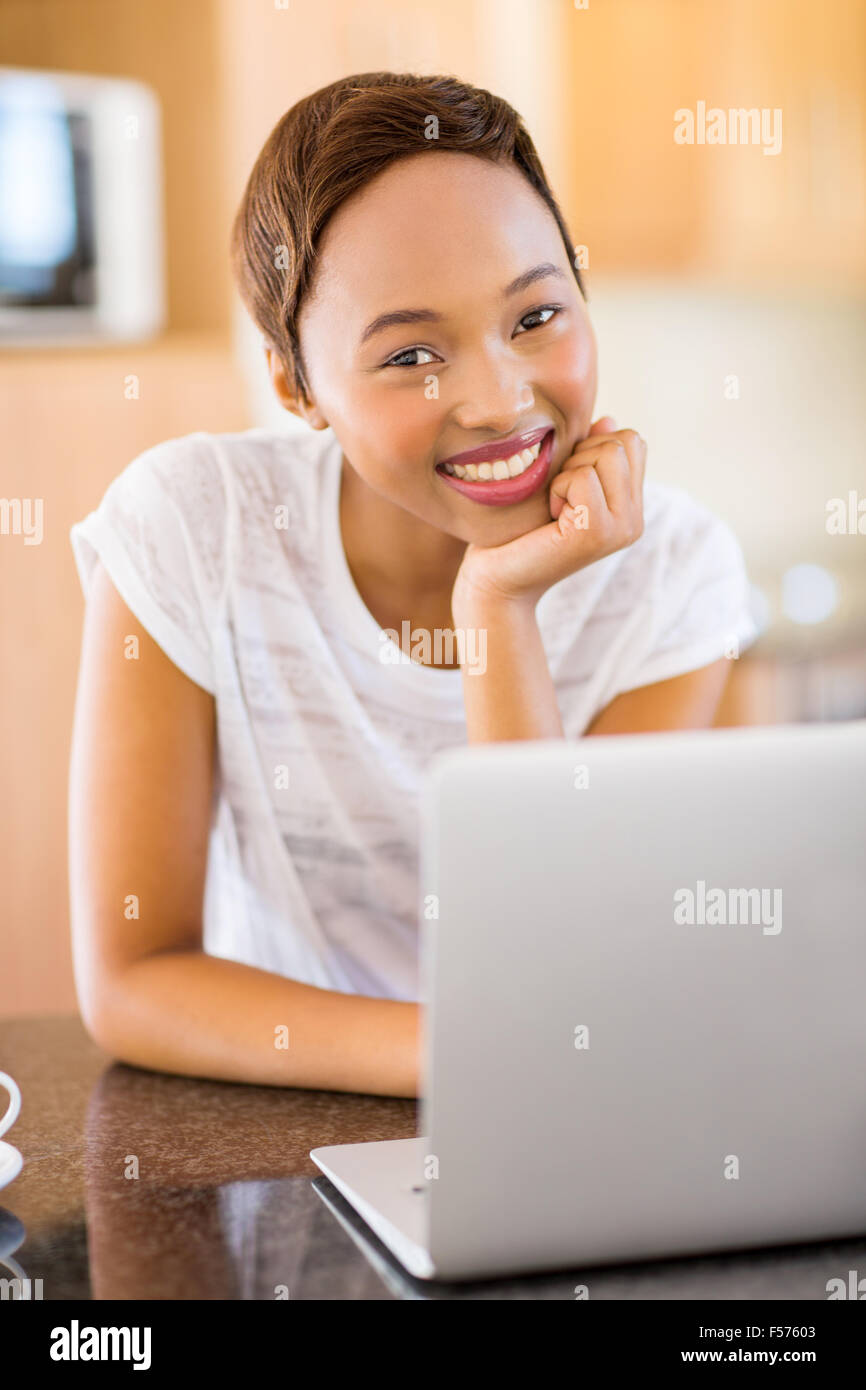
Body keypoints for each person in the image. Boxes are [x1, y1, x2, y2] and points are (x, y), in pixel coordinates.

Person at [68, 72, 757, 1098]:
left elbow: (557, 989)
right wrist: (471, 1057)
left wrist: (498, 607)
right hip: (276, 1138)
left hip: (566, 1124)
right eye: (411, 353)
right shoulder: (193, 525)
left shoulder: (670, 572)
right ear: (295, 384)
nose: (496, 399)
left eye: (533, 315)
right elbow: (135, 976)